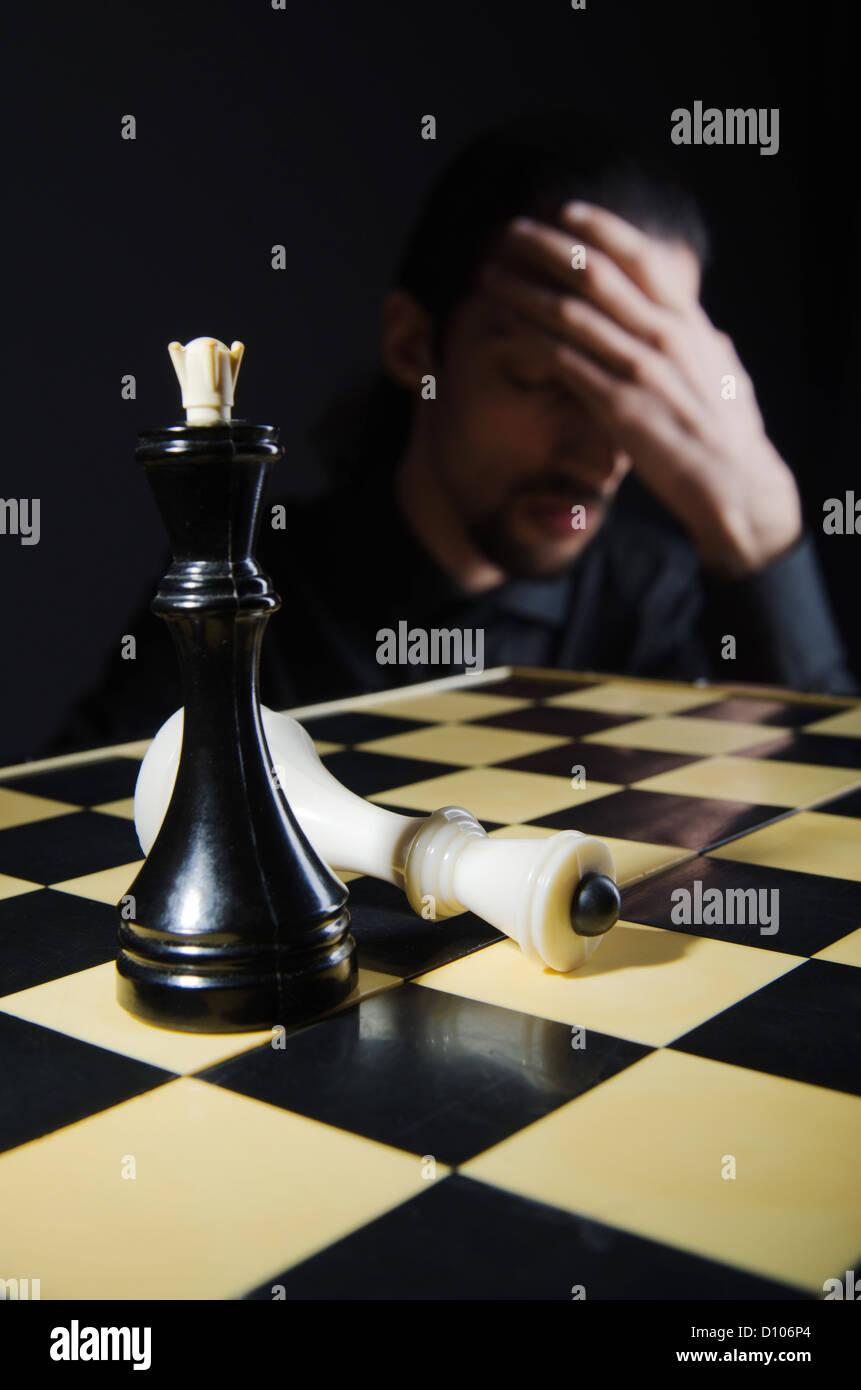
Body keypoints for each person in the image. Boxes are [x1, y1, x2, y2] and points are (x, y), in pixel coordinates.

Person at [44, 113, 856, 755]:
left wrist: (760, 524)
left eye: (642, 389)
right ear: (414, 345)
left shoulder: (666, 605)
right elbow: (61, 842)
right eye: (543, 382)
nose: (600, 457)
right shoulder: (252, 593)